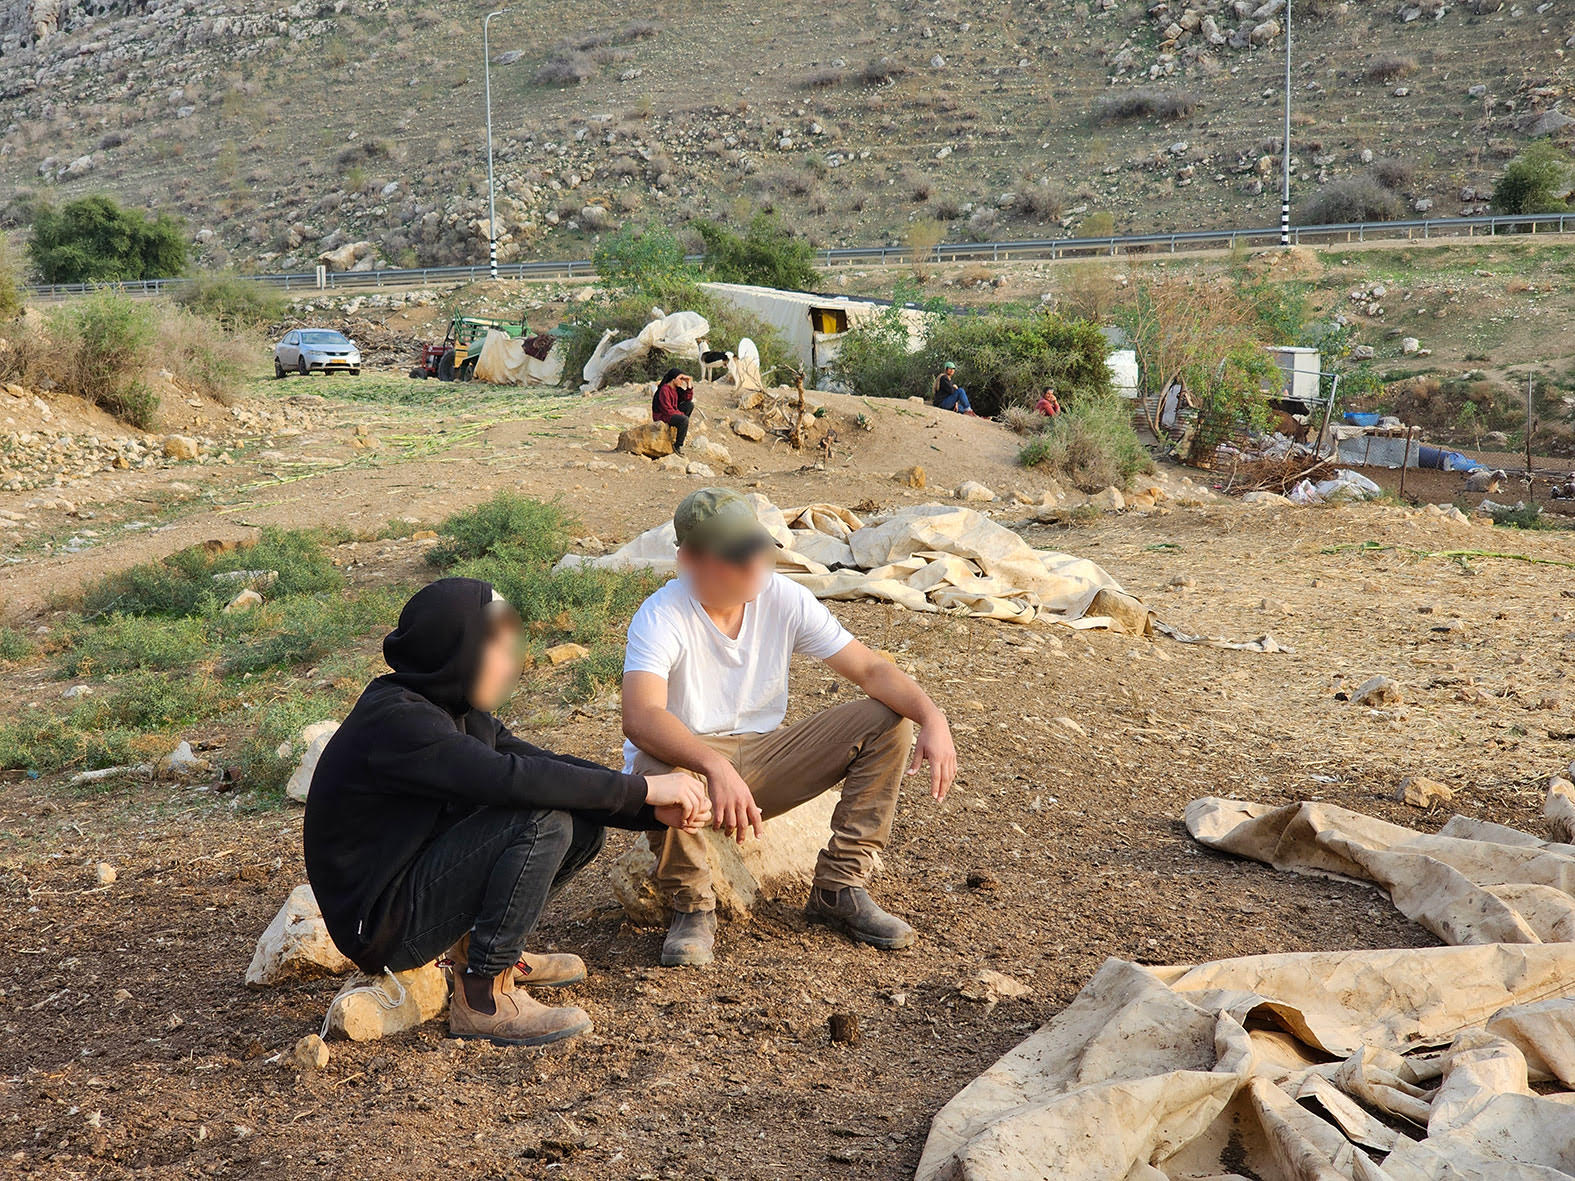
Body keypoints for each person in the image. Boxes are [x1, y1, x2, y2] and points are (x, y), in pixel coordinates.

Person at [304, 577, 710, 1046]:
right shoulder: (398, 721)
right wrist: (645, 789)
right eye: (498, 644)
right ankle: (482, 995)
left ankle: (481, 949)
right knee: (540, 820)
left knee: (580, 821)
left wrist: (648, 807)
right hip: (379, 925)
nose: (512, 658)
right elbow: (511, 779)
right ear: (458, 647)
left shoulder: (454, 708)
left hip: (412, 885)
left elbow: (545, 765)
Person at [621, 488, 959, 967]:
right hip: (691, 771)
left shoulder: (783, 598)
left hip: (763, 762)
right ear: (690, 559)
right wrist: (714, 765)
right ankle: (692, 904)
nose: (755, 564)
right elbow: (641, 716)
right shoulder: (661, 615)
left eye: (757, 548)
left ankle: (838, 886)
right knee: (653, 760)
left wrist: (933, 715)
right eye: (737, 556)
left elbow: (870, 671)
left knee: (887, 721)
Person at [652, 369, 696, 452]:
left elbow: (688, 398)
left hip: (671, 412)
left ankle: (679, 426)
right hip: (662, 415)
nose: (681, 381)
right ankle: (677, 445)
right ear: (673, 379)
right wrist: (681, 415)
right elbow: (667, 410)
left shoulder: (675, 388)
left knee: (689, 405)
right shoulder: (664, 389)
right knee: (684, 419)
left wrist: (688, 383)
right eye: (680, 379)